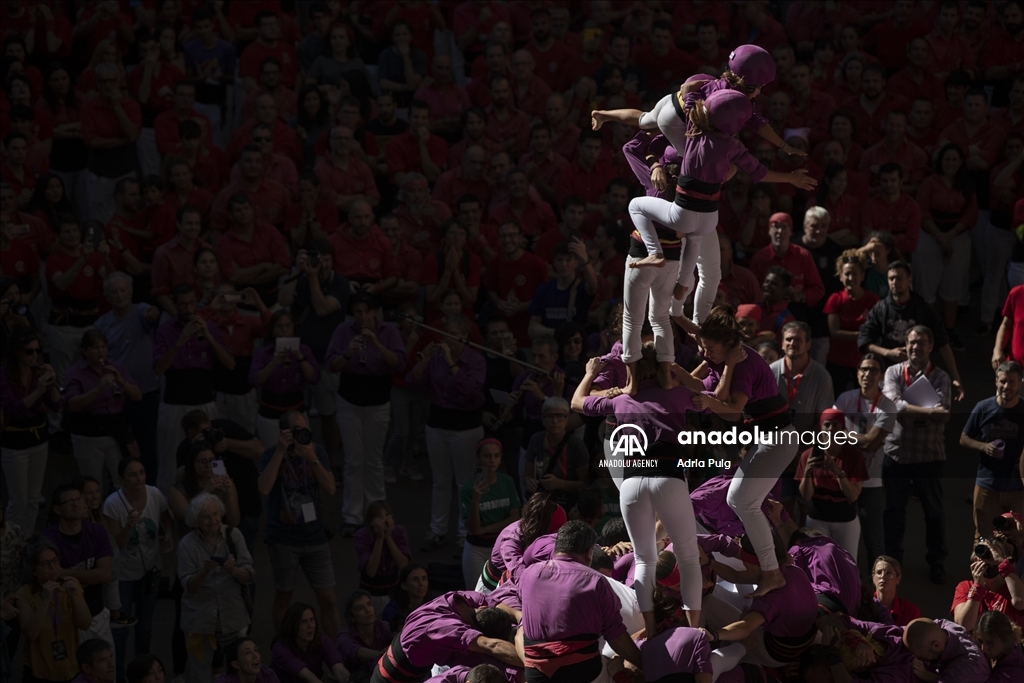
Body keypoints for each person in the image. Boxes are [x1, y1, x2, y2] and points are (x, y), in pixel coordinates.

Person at [572, 344, 708, 635]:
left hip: (632, 483)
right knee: (687, 556)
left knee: (644, 558)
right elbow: (710, 392)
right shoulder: (677, 394)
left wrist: (590, 373)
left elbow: (577, 402)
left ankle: (649, 627)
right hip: (667, 478)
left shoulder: (621, 400)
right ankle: (693, 629)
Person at [691, 306, 800, 598]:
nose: (705, 355)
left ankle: (773, 571)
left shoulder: (743, 365)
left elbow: (733, 411)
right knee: (741, 500)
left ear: (727, 345)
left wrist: (708, 402)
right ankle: (773, 568)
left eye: (709, 349)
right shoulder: (727, 355)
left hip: (777, 440)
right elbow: (691, 330)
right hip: (770, 440)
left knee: (741, 499)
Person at [518, 520, 641, 681]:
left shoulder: (528, 574)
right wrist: (644, 666)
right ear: (590, 553)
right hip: (580, 672)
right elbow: (616, 636)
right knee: (617, 667)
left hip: (535, 673)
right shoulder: (595, 581)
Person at [325, 293, 406, 537]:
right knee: (353, 459)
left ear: (376, 312)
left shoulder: (388, 331)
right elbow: (331, 364)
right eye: (358, 312)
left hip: (378, 402)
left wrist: (377, 344)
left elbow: (399, 364)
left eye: (367, 312)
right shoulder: (343, 330)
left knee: (372, 460)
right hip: (350, 400)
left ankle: (378, 513)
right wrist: (349, 353)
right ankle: (352, 515)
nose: (363, 317)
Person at [258, 410, 340, 639]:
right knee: (284, 597)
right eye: (296, 431)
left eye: (305, 430)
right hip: (283, 538)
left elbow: (331, 489)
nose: (302, 435)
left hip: (315, 536)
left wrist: (312, 457)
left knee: (329, 599)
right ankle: (284, 648)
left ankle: (335, 651)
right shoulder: (271, 454)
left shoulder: (317, 451)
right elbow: (264, 488)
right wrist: (282, 451)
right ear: (283, 432)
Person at [408, 315, 487, 552]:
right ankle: (437, 530)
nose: (448, 341)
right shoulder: (436, 358)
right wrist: (425, 360)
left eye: (453, 336)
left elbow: (469, 388)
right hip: (437, 424)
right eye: (446, 335)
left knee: (464, 482)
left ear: (464, 337)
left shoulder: (475, 360)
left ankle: (464, 533)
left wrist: (452, 362)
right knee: (440, 481)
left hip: (465, 428)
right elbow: (414, 380)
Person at [881, 326, 953, 584]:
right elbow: (894, 406)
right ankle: (891, 562)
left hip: (929, 457)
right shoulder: (893, 372)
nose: (916, 347)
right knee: (894, 512)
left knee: (934, 513)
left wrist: (914, 411)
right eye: (912, 342)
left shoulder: (942, 377)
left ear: (931, 346)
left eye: (922, 342)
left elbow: (944, 415)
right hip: (897, 455)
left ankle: (937, 562)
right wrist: (928, 412)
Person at [153, 284, 235, 493]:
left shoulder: (210, 327)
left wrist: (209, 336)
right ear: (175, 304)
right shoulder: (165, 330)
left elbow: (230, 364)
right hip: (175, 402)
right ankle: (168, 509)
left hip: (205, 400)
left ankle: (218, 502)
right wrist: (180, 341)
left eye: (191, 303)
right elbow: (158, 369)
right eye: (183, 304)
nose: (188, 308)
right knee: (169, 460)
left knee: (212, 455)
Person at [277, 241, 349, 472]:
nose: (321, 264)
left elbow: (321, 308)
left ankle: (333, 462)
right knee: (295, 413)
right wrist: (296, 271)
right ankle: (296, 462)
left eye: (326, 259)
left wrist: (313, 277)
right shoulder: (301, 276)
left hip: (325, 358)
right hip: (297, 356)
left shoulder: (340, 283)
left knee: (329, 414)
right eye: (316, 259)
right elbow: (285, 300)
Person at [102, 458, 172, 681]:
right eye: (132, 474)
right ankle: (120, 677)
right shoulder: (112, 504)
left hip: (150, 571)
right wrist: (128, 526)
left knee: (145, 628)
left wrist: (167, 534)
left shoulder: (154, 494)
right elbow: (117, 544)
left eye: (141, 472)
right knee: (120, 632)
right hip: (123, 575)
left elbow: (165, 517)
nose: (139, 478)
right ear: (121, 479)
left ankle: (144, 674)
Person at [177, 492, 254, 683]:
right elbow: (189, 587)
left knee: (240, 668)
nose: (212, 520)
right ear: (196, 520)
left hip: (233, 616)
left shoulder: (233, 535)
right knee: (200, 673)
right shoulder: (187, 544)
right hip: (200, 620)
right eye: (206, 516)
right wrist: (203, 571)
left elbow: (250, 575)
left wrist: (232, 569)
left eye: (215, 514)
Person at [94, 272, 162, 481]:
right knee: (121, 446)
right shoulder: (102, 325)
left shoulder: (141, 312)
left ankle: (150, 488)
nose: (120, 295)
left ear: (131, 291)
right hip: (118, 396)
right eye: (114, 292)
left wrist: (154, 312)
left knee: (147, 444)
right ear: (106, 295)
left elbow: (153, 314)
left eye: (123, 290)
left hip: (147, 391)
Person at [370, 590, 521, 683]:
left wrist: (521, 619)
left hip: (420, 667)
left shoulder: (461, 599)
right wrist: (534, 660)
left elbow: (495, 604)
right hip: (391, 676)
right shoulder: (447, 628)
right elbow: (491, 646)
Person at [833, 353, 897, 567]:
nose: (867, 374)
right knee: (841, 538)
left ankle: (875, 591)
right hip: (844, 478)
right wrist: (865, 439)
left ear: (880, 376)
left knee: (873, 539)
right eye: (863, 369)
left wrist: (846, 437)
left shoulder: (887, 406)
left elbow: (870, 442)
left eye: (873, 370)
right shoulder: (845, 398)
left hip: (871, 480)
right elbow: (830, 436)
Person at [1, 326, 62, 532]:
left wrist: (51, 383)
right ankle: (9, 544)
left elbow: (57, 405)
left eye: (38, 351)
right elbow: (12, 409)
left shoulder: (39, 373)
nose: (35, 356)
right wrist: (38, 390)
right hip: (14, 442)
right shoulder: (5, 376)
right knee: (18, 499)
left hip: (38, 439)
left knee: (34, 498)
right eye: (29, 351)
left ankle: (26, 540)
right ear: (17, 351)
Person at [65, 329, 141, 488]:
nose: (101, 351)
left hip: (115, 432)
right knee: (93, 484)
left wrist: (120, 381)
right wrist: (99, 389)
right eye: (95, 348)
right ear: (84, 351)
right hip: (89, 434)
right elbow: (72, 404)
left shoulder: (116, 367)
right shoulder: (75, 373)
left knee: (122, 480)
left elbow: (137, 395)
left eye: (103, 347)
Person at [43, 484, 114, 648]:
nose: (76, 504)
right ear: (57, 509)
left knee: (106, 669)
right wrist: (91, 577)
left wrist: (66, 573)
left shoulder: (97, 532)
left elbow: (105, 574)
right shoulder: (48, 540)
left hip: (96, 613)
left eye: (79, 499)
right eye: (69, 502)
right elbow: (51, 580)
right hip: (64, 619)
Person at [960, 361, 1024, 540]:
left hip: (1018, 489)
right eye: (1003, 381)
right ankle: (984, 569)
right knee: (984, 538)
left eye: (1012, 382)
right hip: (988, 486)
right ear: (996, 382)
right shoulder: (983, 407)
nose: (1006, 386)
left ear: (1020, 383)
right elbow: (963, 438)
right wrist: (984, 447)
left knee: (1017, 539)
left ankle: (1013, 569)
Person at [15, 539, 92, 682]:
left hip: (70, 668)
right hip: (39, 671)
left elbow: (85, 624)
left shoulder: (70, 585)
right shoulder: (24, 594)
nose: (53, 567)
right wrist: (45, 601)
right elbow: (31, 633)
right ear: (33, 570)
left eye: (55, 561)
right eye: (45, 564)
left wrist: (75, 597)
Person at [794, 409, 869, 557]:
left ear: (842, 428)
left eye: (836, 424)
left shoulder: (853, 455)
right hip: (817, 517)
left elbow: (853, 495)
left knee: (846, 563)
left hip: (844, 519)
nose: (831, 429)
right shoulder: (808, 455)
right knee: (818, 562)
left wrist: (838, 472)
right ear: (820, 427)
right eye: (827, 424)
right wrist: (808, 472)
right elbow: (806, 495)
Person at [250, 310, 320, 449]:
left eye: (288, 325)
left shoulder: (304, 350)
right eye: (279, 326)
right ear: (272, 331)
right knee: (273, 457)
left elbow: (314, 378)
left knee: (302, 454)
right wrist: (273, 363)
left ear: (293, 328)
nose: (284, 330)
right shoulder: (263, 352)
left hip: (297, 413)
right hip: (270, 414)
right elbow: (254, 381)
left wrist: (299, 356)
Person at [460, 439, 521, 590]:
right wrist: (475, 500)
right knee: (475, 595)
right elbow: (474, 529)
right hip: (477, 549)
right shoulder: (468, 488)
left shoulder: (507, 481)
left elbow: (515, 518)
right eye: (487, 456)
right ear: (478, 458)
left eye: (496, 456)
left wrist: (484, 529)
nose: (492, 460)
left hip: (503, 546)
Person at [824, 250, 880, 393]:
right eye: (847, 274)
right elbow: (835, 332)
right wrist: (861, 334)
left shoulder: (873, 300)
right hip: (837, 361)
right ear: (840, 276)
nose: (850, 277)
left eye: (854, 273)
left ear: (862, 275)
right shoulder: (835, 299)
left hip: (864, 363)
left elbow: (876, 331)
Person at [353, 501, 410, 613]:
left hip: (393, 592)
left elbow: (403, 565)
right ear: (371, 522)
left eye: (387, 515)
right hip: (370, 593)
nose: (384, 520)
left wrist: (388, 537)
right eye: (379, 516)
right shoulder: (361, 536)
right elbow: (371, 571)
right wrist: (380, 539)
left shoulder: (399, 532)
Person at [270, 603, 350, 683]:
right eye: (303, 622)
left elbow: (339, 668)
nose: (310, 626)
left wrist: (348, 680)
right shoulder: (280, 648)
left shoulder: (322, 640)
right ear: (292, 625)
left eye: (312, 620)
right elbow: (307, 675)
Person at [901, 618, 991, 683]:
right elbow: (920, 628)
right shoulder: (943, 627)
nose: (918, 660)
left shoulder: (967, 666)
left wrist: (925, 674)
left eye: (921, 657)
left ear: (936, 646)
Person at [336, 590, 392, 680]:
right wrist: (384, 654)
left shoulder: (383, 626)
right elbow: (357, 652)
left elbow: (399, 639)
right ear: (352, 617)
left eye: (369, 604)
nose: (367, 610)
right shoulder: (344, 636)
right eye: (360, 608)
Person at [871, 555, 921, 627]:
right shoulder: (862, 606)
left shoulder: (909, 611)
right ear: (873, 578)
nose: (882, 576)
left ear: (898, 578)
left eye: (888, 573)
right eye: (879, 572)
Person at [974, 611, 1024, 681]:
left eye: (990, 642)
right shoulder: (1000, 654)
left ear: (1004, 639)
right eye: (980, 641)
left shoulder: (1011, 673)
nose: (983, 648)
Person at [381, 564, 430, 634]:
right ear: (404, 586)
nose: (421, 583)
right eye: (415, 579)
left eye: (424, 578)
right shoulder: (392, 611)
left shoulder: (435, 602)